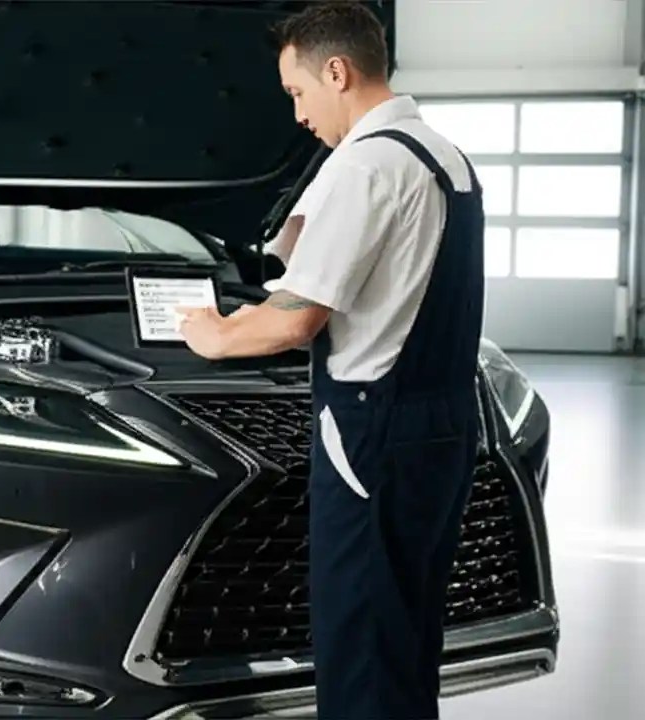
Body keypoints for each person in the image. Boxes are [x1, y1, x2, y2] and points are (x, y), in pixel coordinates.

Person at [177, 3, 485, 719]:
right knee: (406, 632)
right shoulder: (442, 155)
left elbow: (297, 319)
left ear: (337, 72)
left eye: (297, 93)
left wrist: (212, 332)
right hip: (441, 423)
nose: (297, 115)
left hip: (373, 432)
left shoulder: (366, 165)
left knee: (360, 637)